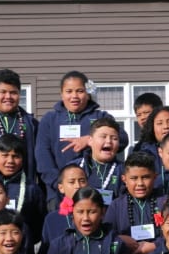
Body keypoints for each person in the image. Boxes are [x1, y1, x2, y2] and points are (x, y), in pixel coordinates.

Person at [35, 71, 125, 204]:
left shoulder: (101, 116)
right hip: (59, 193)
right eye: (69, 91)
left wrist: (89, 139)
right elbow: (43, 156)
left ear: (87, 93)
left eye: (80, 91)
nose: (74, 96)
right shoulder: (50, 119)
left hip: (98, 188)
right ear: (62, 94)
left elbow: (122, 137)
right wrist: (61, 184)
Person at [103, 151, 169, 254]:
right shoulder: (116, 205)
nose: (140, 184)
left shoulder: (165, 203)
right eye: (133, 178)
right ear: (124, 179)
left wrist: (156, 245)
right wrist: (120, 239)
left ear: (155, 177)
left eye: (145, 177)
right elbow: (105, 236)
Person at [39, 164, 89, 254]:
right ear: (61, 187)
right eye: (72, 182)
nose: (78, 186)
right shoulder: (52, 219)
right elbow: (45, 253)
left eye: (82, 181)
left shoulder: (96, 214)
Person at [76, 117, 127, 207]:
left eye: (114, 138)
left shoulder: (124, 171)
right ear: (90, 141)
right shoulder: (75, 167)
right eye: (103, 137)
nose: (108, 141)